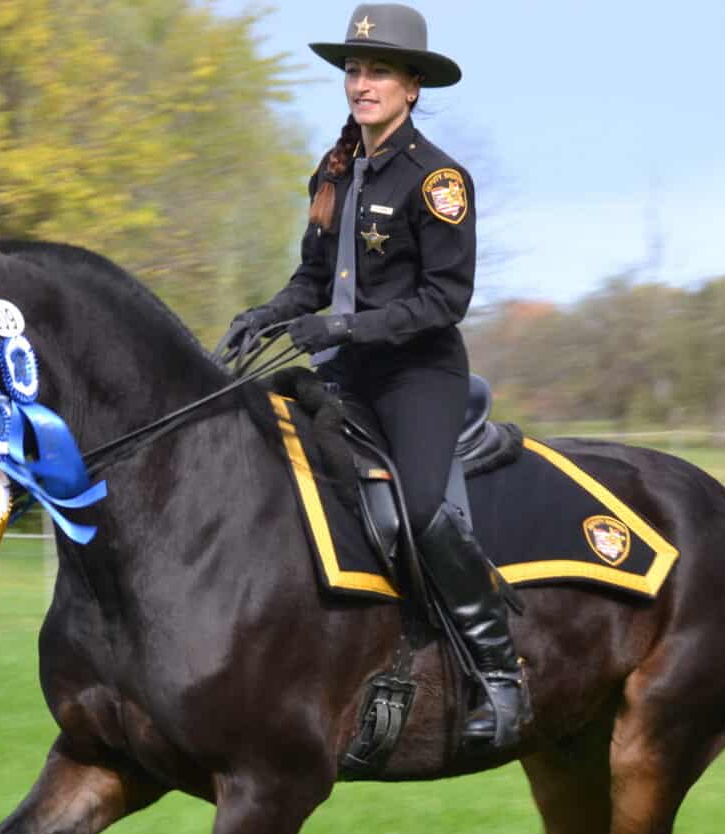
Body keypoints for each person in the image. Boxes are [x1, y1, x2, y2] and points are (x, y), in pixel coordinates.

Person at [219, 3, 526, 749]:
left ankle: (499, 672)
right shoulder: (336, 170)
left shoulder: (438, 180)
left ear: (412, 85)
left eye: (378, 71)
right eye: (355, 70)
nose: (363, 83)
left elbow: (445, 299)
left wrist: (340, 328)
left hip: (416, 376)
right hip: (344, 370)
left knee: (418, 511)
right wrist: (266, 315)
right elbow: (313, 280)